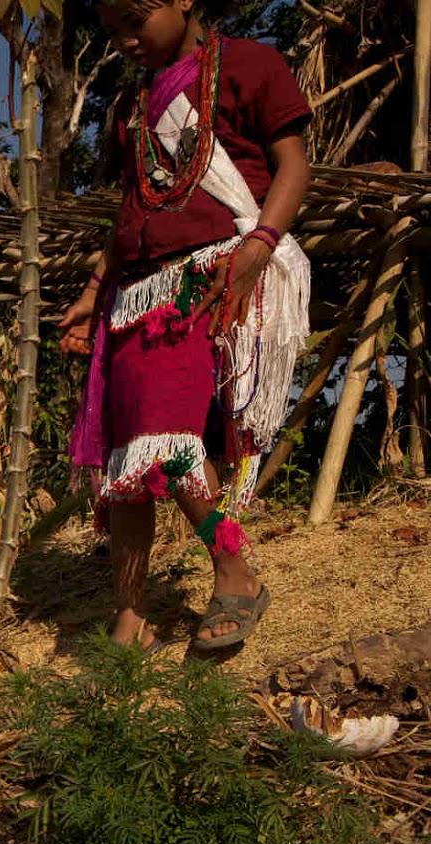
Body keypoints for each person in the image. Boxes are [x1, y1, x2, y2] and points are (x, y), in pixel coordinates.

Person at [59, 0, 311, 654]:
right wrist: (92, 290)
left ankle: (234, 567)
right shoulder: (131, 108)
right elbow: (132, 206)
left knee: (167, 446)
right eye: (113, 30)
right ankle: (133, 613)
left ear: (184, 1)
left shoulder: (250, 66)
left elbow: (293, 166)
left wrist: (259, 246)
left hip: (208, 271)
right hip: (132, 289)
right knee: (126, 465)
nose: (125, 40)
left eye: (136, 21)